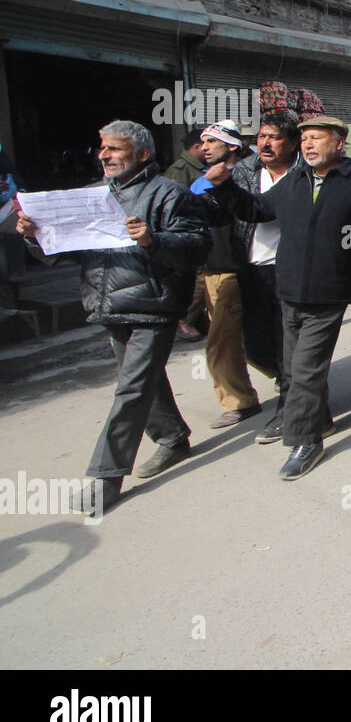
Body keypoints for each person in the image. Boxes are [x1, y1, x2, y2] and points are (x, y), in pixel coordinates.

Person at [16, 120, 210, 513]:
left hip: (153, 305)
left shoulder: (168, 194)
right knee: (140, 383)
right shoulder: (92, 195)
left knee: (131, 389)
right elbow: (62, 251)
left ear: (142, 154)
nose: (105, 156)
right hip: (107, 303)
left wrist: (153, 240)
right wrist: (33, 234)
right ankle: (172, 437)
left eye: (115, 149)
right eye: (102, 148)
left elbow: (196, 247)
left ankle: (106, 476)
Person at [205, 116, 351, 480]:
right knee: (292, 367)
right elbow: (256, 210)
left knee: (304, 370)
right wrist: (224, 187)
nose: (308, 145)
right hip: (289, 291)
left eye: (316, 138)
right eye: (304, 140)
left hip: (328, 293)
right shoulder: (294, 183)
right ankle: (321, 420)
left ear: (338, 144)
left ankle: (305, 441)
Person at [230, 111, 300, 444]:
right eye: (261, 137)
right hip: (252, 269)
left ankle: (290, 407)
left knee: (290, 344)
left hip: (291, 269)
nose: (265, 143)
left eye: (274, 137)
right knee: (255, 344)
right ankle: (296, 382)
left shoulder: (305, 173)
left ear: (292, 142)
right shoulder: (243, 172)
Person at [190, 121, 262, 430]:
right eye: (203, 142)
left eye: (213, 142)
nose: (204, 147)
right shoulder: (198, 182)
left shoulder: (246, 178)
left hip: (235, 268)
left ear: (232, 146)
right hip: (210, 268)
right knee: (229, 339)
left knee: (223, 341)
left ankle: (240, 400)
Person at [165, 127, 210, 341]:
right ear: (196, 147)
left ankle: (196, 318)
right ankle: (185, 318)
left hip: (204, 230)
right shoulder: (180, 170)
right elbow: (174, 205)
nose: (209, 148)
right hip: (189, 232)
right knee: (200, 278)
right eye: (206, 144)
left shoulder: (202, 167)